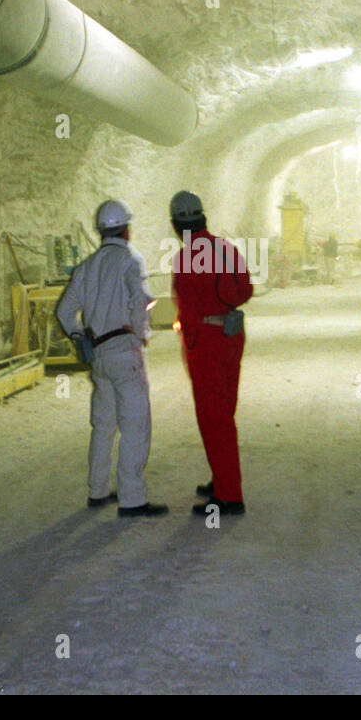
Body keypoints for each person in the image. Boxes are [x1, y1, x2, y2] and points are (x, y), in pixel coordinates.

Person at [55, 200, 167, 517]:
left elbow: (64, 312)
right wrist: (141, 336)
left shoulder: (86, 267)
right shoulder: (131, 260)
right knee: (135, 426)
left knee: (103, 426)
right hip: (124, 352)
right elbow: (138, 302)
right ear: (126, 229)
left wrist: (79, 337)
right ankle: (132, 499)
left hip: (99, 357)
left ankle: (98, 491)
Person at [168, 191, 253, 517]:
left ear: (177, 225)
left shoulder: (187, 258)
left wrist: (186, 333)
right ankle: (222, 478)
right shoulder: (226, 248)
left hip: (207, 341)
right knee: (224, 411)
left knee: (213, 418)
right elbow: (246, 289)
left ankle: (229, 496)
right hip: (232, 334)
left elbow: (186, 306)